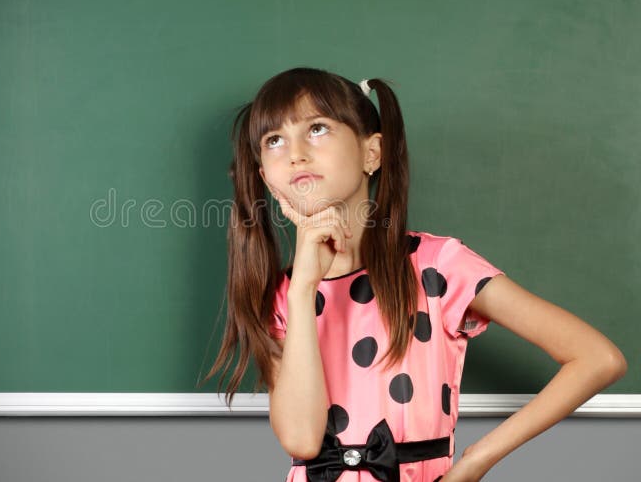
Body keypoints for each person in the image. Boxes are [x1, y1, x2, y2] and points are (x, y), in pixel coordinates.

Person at [203, 67, 627, 481]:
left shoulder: (438, 266)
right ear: (266, 177)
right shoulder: (281, 296)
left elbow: (597, 358)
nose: (295, 153)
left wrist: (477, 459)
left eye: (316, 129)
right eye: (274, 140)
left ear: (373, 152)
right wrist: (303, 291)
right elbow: (301, 440)